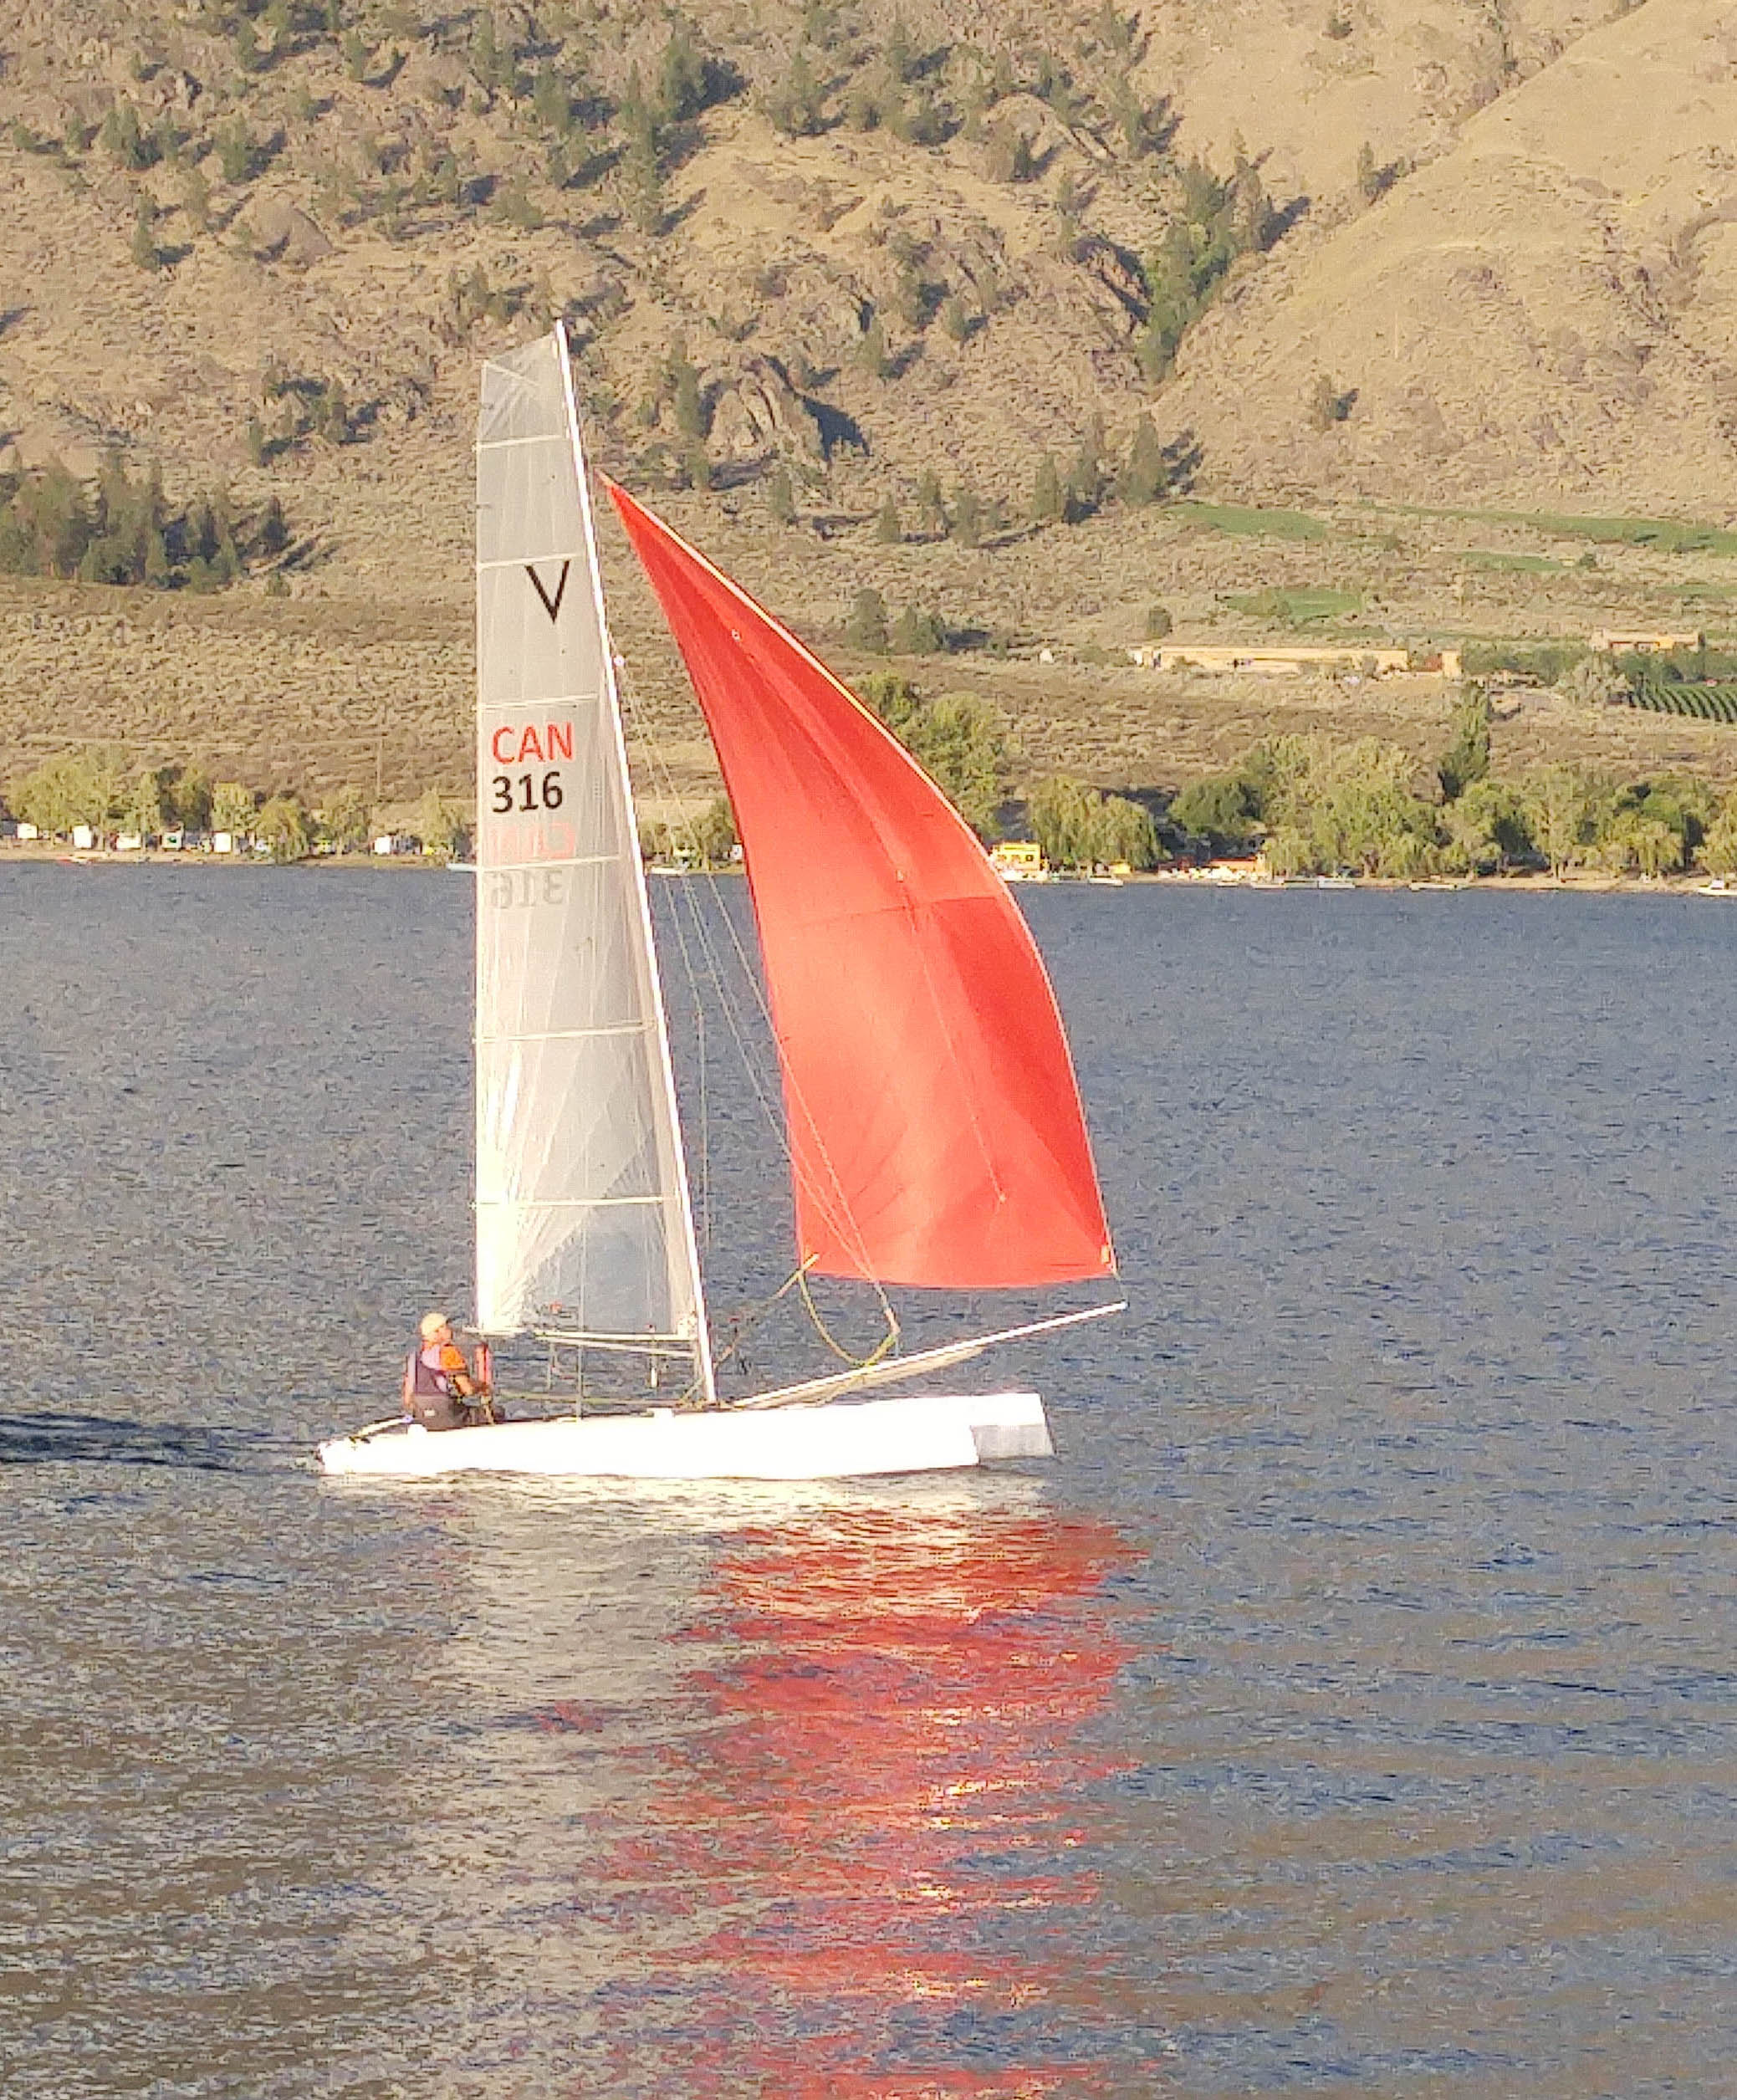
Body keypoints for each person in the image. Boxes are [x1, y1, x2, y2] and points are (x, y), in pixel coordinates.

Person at [403, 1312, 493, 1431]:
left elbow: (408, 1399)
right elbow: (468, 1390)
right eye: (446, 1327)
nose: (451, 1330)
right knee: (497, 1412)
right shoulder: (448, 1352)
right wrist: (482, 1386)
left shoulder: (414, 1358)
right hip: (449, 1416)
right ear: (437, 1332)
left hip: (423, 1421)